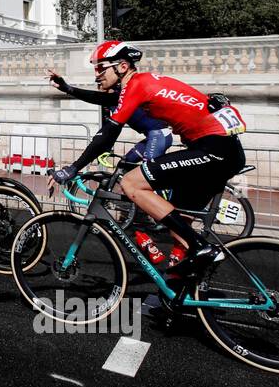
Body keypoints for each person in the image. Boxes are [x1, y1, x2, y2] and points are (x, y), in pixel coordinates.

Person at [51, 41, 247, 286]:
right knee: (180, 224)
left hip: (214, 149)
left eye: (101, 68)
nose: (96, 75)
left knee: (131, 182)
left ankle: (201, 247)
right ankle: (177, 295)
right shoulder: (142, 84)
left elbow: (107, 136)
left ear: (122, 66)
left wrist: (73, 168)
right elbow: (103, 99)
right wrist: (68, 88)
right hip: (220, 149)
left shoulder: (137, 85)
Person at [47, 66, 172, 164]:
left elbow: (95, 97)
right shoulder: (112, 102)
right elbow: (108, 129)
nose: (100, 88)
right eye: (98, 85)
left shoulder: (120, 96)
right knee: (123, 165)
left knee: (147, 178)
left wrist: (68, 89)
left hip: (158, 135)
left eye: (101, 84)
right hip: (151, 136)